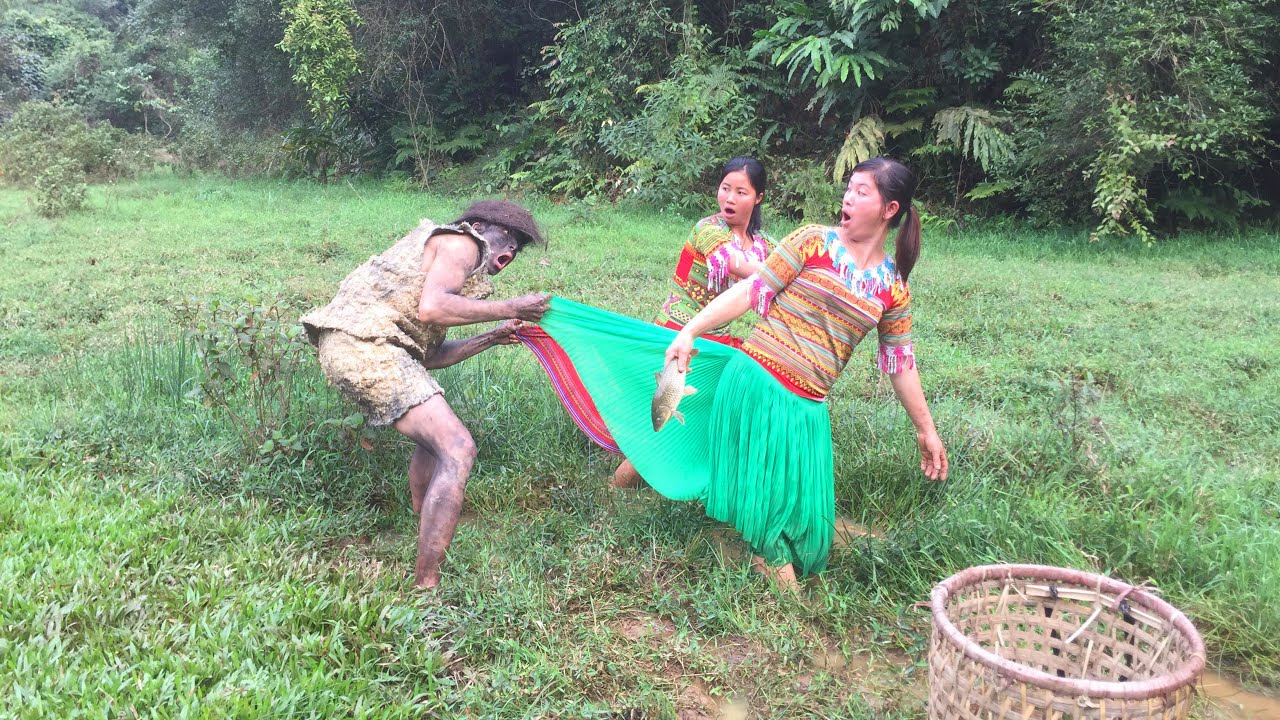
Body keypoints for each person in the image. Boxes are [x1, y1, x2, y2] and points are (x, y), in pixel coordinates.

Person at [518, 157, 947, 589]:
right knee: (764, 511)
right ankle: (784, 595)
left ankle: (760, 544)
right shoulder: (811, 241)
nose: (847, 198)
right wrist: (689, 331)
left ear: (890, 210)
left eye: (861, 191)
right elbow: (750, 289)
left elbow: (901, 362)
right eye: (848, 188)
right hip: (757, 383)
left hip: (808, 409)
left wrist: (926, 429)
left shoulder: (893, 287)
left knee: (806, 521)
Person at [301, 200, 550, 589]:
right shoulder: (461, 244)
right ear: (479, 225)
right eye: (509, 240)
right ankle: (426, 584)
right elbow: (433, 308)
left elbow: (429, 356)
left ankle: (423, 517)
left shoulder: (447, 266)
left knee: (437, 442)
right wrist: (513, 306)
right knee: (458, 447)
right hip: (365, 347)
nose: (509, 254)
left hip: (360, 347)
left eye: (517, 250)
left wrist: (493, 336)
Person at [615, 157, 776, 487]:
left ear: (758, 197)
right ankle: (618, 487)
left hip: (717, 343)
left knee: (711, 415)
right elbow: (734, 264)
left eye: (740, 192)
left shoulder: (765, 246)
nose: (729, 198)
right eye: (725, 189)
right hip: (678, 338)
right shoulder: (708, 230)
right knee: (669, 418)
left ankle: (697, 480)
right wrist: (785, 273)